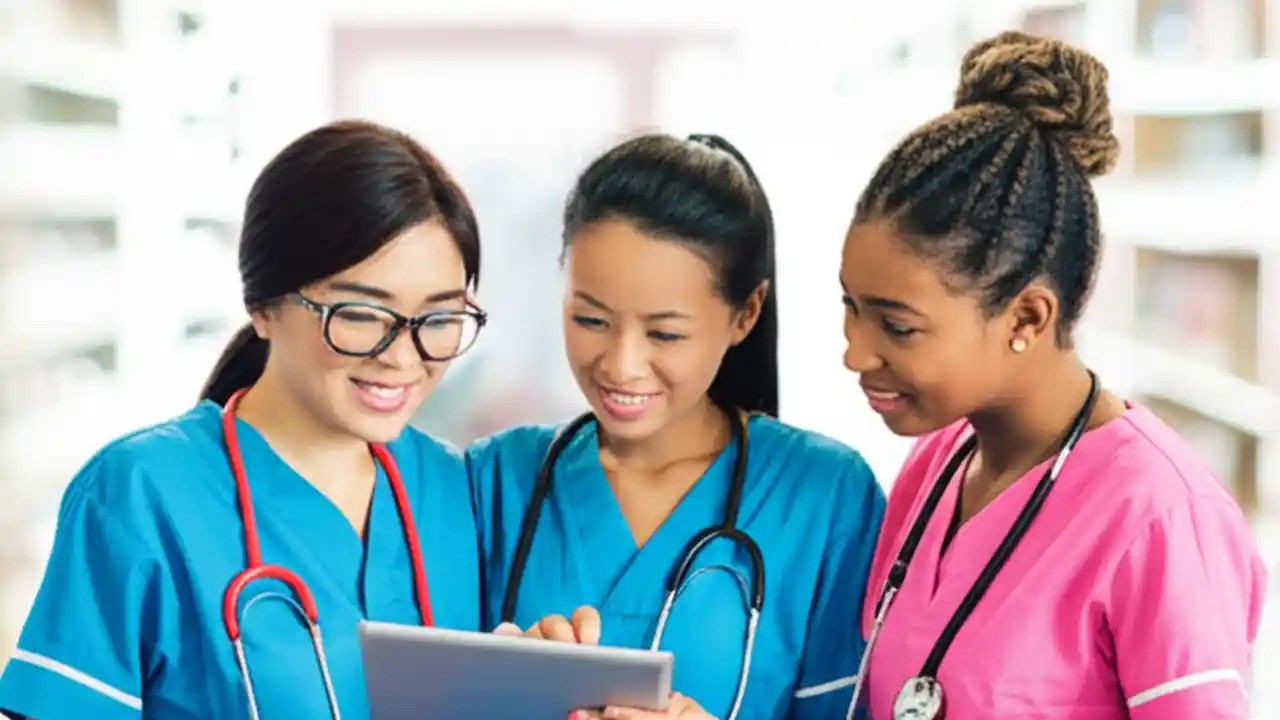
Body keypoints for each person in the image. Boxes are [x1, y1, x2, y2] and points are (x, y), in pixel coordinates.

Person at [839, 31, 1267, 719]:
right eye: (850, 309)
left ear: (1027, 318)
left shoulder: (1159, 515)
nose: (855, 353)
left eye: (896, 326)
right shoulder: (935, 466)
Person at [0, 120, 491, 719]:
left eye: (438, 319)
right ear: (263, 305)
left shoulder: (455, 492)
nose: (402, 355)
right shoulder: (141, 493)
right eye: (363, 313)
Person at [467, 133, 887, 720]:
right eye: (590, 319)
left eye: (664, 334)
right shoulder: (493, 482)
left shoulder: (823, 496)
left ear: (746, 314)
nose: (621, 364)